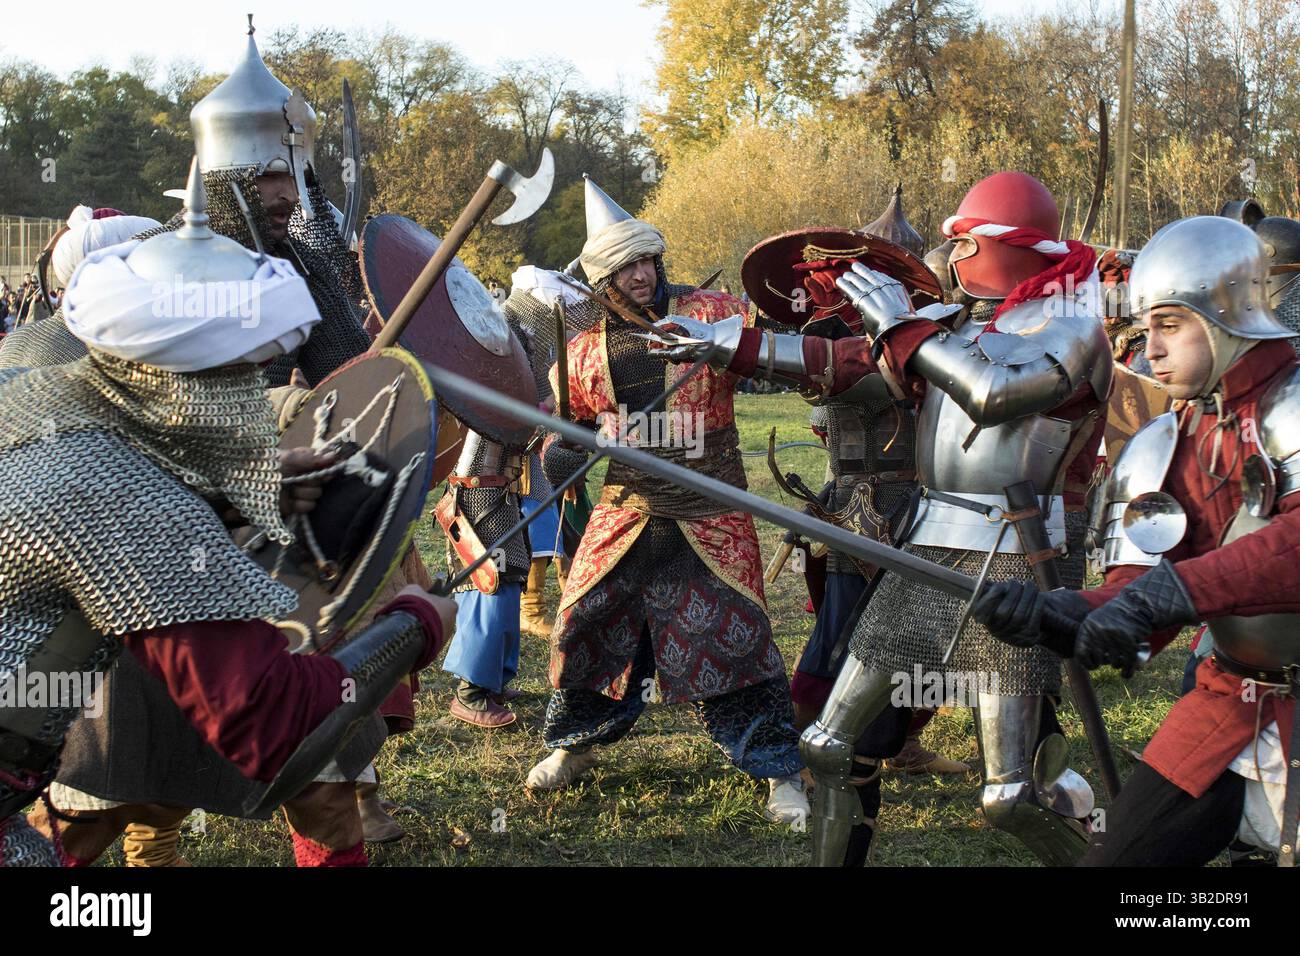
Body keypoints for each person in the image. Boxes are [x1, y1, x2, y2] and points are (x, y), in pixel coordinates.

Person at [1, 168, 453, 867]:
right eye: (243, 371)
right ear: (192, 369)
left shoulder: (30, 400)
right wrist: (415, 626)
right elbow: (270, 723)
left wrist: (247, 487)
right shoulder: (125, 505)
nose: (253, 392)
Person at [658, 171, 1111, 864]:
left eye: (960, 240)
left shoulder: (1075, 325)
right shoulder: (957, 325)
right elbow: (841, 362)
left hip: (1018, 553)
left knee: (1008, 795)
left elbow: (995, 393)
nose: (950, 254)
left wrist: (901, 321)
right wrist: (724, 342)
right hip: (927, 542)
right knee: (827, 744)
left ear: (988, 244)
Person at [974, 215, 1300, 867]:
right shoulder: (1187, 433)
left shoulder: (1292, 405)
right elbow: (1143, 582)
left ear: (1225, 316)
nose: (1148, 350)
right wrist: (1062, 616)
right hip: (1231, 701)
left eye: (1168, 325)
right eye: (1144, 326)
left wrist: (1173, 592)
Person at [524, 177, 808, 825]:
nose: (641, 274)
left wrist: (777, 328)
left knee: (740, 636)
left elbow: (772, 355)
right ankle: (574, 744)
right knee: (583, 621)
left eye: (647, 260)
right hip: (627, 507)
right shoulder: (583, 353)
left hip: (711, 509)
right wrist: (568, 451)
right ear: (602, 282)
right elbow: (568, 439)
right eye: (624, 268)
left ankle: (779, 772)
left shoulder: (711, 315)